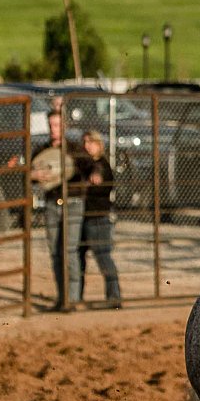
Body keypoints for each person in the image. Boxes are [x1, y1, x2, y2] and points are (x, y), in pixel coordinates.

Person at [30, 110, 82, 311]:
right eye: (51, 125)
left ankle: (73, 299)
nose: (54, 129)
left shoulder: (74, 148)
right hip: (53, 202)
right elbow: (30, 173)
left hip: (73, 202)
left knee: (69, 251)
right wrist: (35, 175)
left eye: (58, 125)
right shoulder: (42, 149)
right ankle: (62, 298)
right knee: (55, 252)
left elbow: (83, 170)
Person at [72, 130, 122, 308]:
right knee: (78, 258)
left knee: (103, 257)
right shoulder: (84, 165)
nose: (87, 146)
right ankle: (75, 296)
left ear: (99, 144)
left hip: (98, 219)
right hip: (84, 218)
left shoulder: (102, 165)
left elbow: (102, 181)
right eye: (85, 142)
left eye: (91, 142)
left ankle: (114, 297)